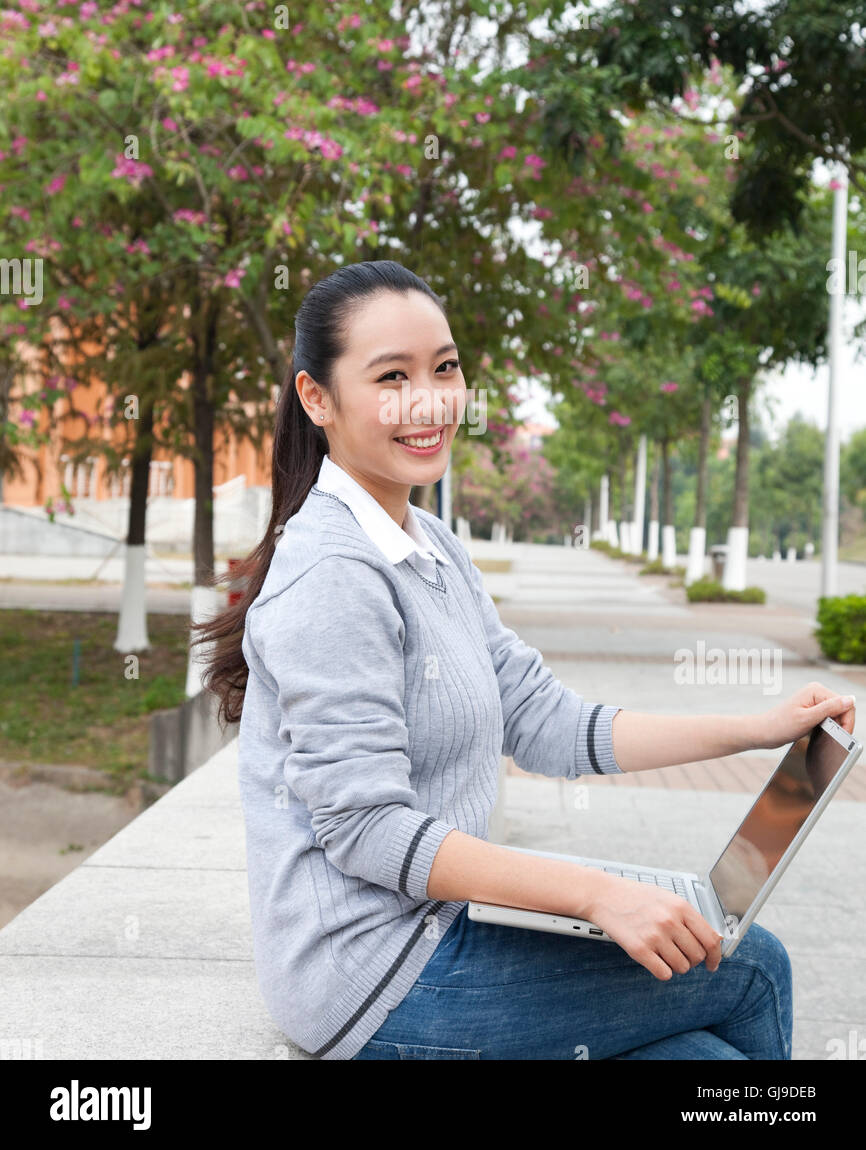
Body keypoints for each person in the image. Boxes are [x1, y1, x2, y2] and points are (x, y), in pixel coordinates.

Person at [195, 260, 855, 1061]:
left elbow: (549, 724)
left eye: (444, 368)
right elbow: (367, 828)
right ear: (317, 399)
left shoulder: (430, 545)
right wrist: (600, 895)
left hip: (447, 930)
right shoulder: (332, 571)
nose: (429, 401)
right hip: (374, 976)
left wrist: (757, 729)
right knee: (753, 970)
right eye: (392, 377)